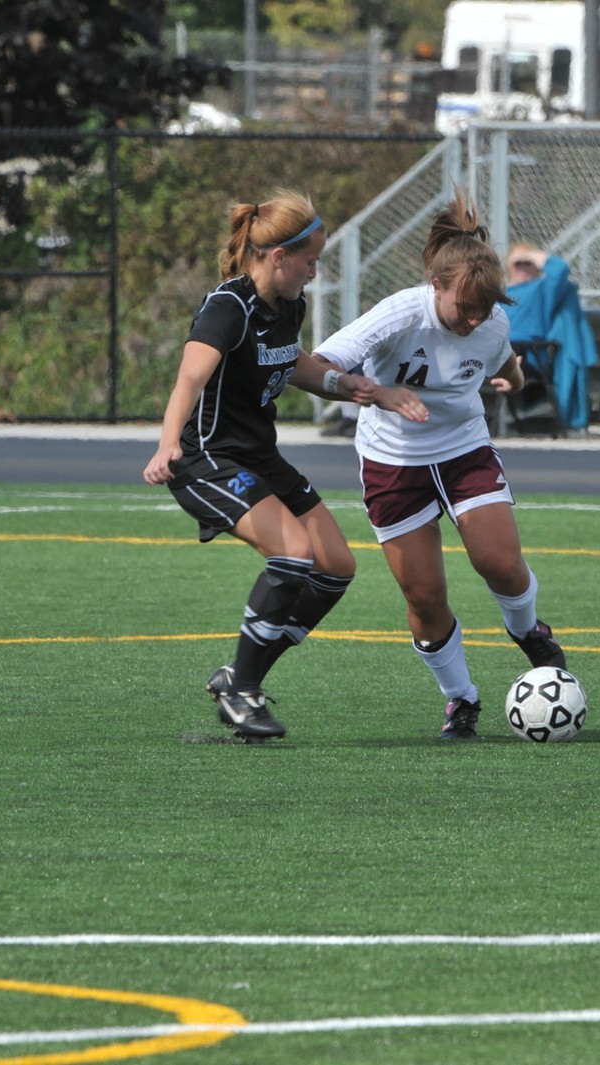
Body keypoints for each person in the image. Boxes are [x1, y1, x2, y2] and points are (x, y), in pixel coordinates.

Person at [142, 189, 417, 742]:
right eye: (311, 260)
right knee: (293, 554)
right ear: (277, 257)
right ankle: (242, 691)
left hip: (259, 455)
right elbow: (191, 376)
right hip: (206, 458)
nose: (316, 272)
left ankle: (239, 680)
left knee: (335, 567)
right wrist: (167, 441)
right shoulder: (228, 307)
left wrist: (357, 387)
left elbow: (294, 365)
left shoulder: (290, 306)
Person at [314, 191, 567, 740]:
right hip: (392, 464)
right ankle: (461, 700)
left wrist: (514, 380)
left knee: (498, 562)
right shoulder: (401, 314)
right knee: (425, 599)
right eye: (465, 308)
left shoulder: (492, 321)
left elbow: (505, 360)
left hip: (463, 450)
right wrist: (377, 391)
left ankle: (528, 631)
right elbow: (316, 364)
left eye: (484, 309)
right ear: (437, 287)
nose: (474, 319)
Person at [504, 243, 599, 432]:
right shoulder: (498, 294)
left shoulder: (541, 290)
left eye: (528, 263)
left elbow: (560, 269)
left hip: (527, 354)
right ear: (509, 266)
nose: (523, 267)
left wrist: (534, 255)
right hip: (493, 350)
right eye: (518, 263)